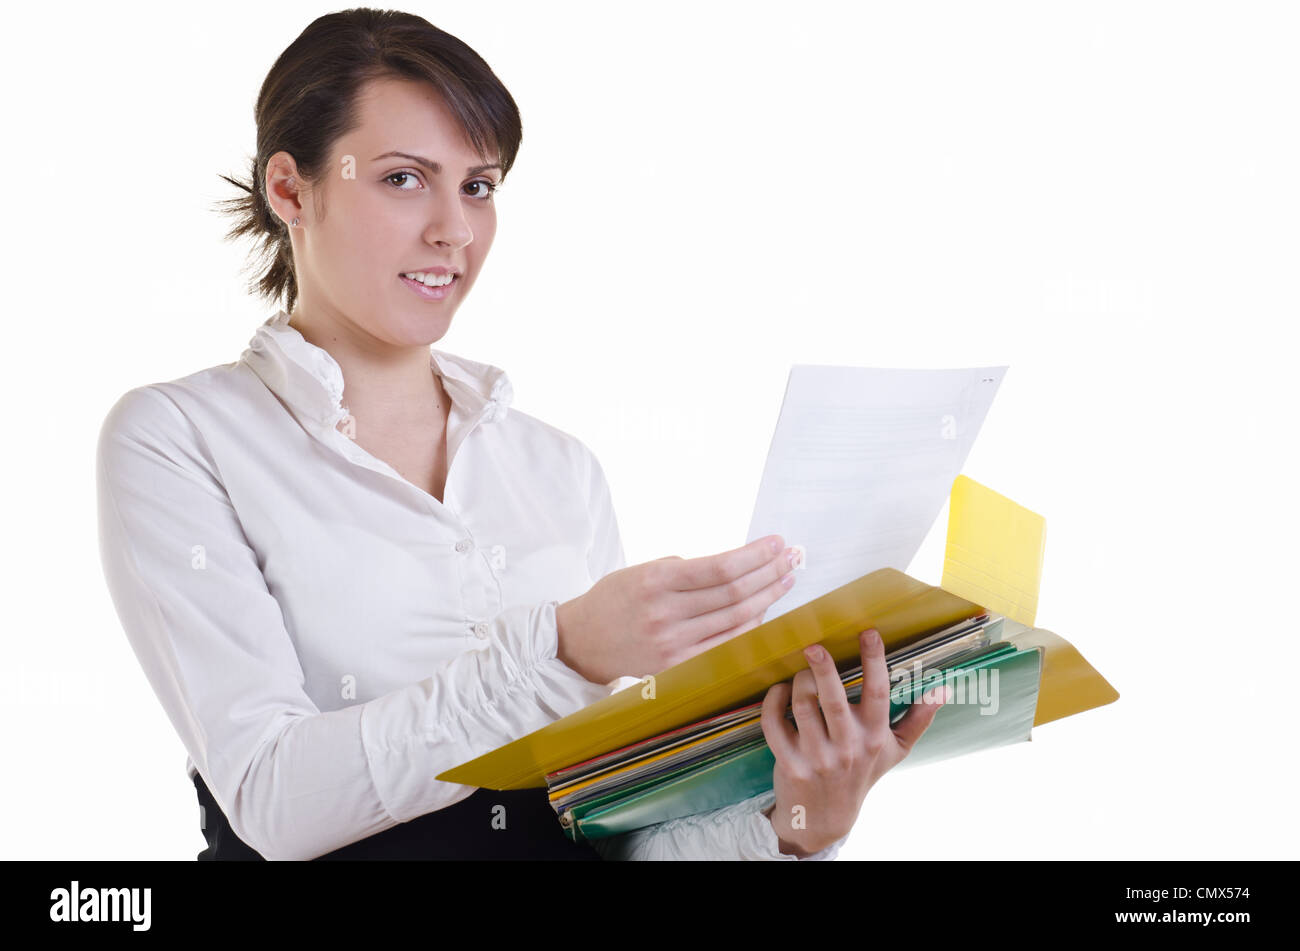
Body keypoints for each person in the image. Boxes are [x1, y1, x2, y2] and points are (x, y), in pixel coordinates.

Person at [95, 8, 948, 861]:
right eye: (402, 179)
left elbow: (619, 834)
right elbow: (273, 799)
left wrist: (799, 822)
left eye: (478, 185)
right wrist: (564, 648)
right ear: (290, 190)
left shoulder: (557, 467)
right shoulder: (180, 438)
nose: (455, 230)